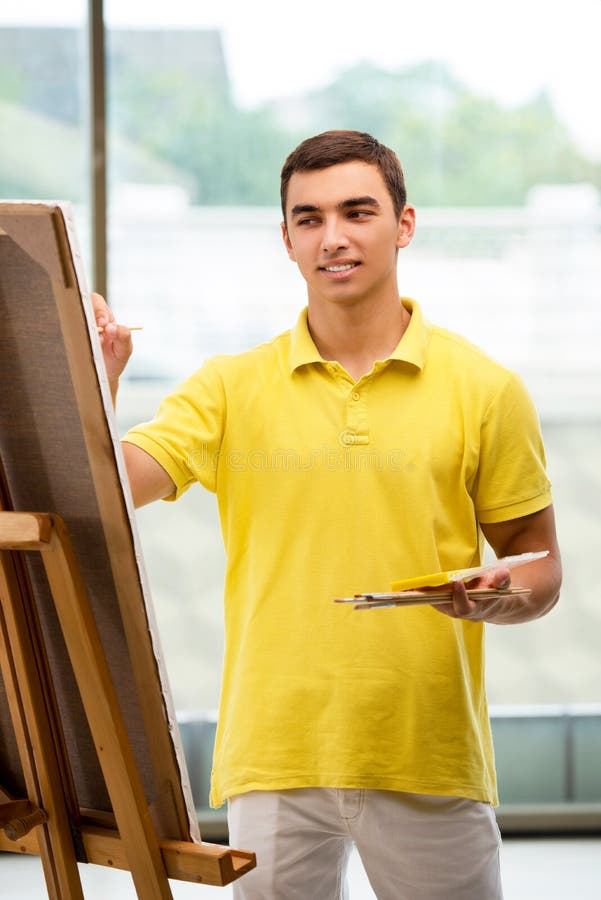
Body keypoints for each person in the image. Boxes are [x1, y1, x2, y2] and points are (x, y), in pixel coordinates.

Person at [94, 130, 561, 900]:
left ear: (403, 224)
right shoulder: (227, 387)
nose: (332, 237)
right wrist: (95, 380)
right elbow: (107, 490)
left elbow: (540, 568)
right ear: (285, 239)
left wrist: (501, 590)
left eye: (356, 212)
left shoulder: (486, 389)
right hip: (275, 754)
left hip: (428, 750)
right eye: (308, 219)